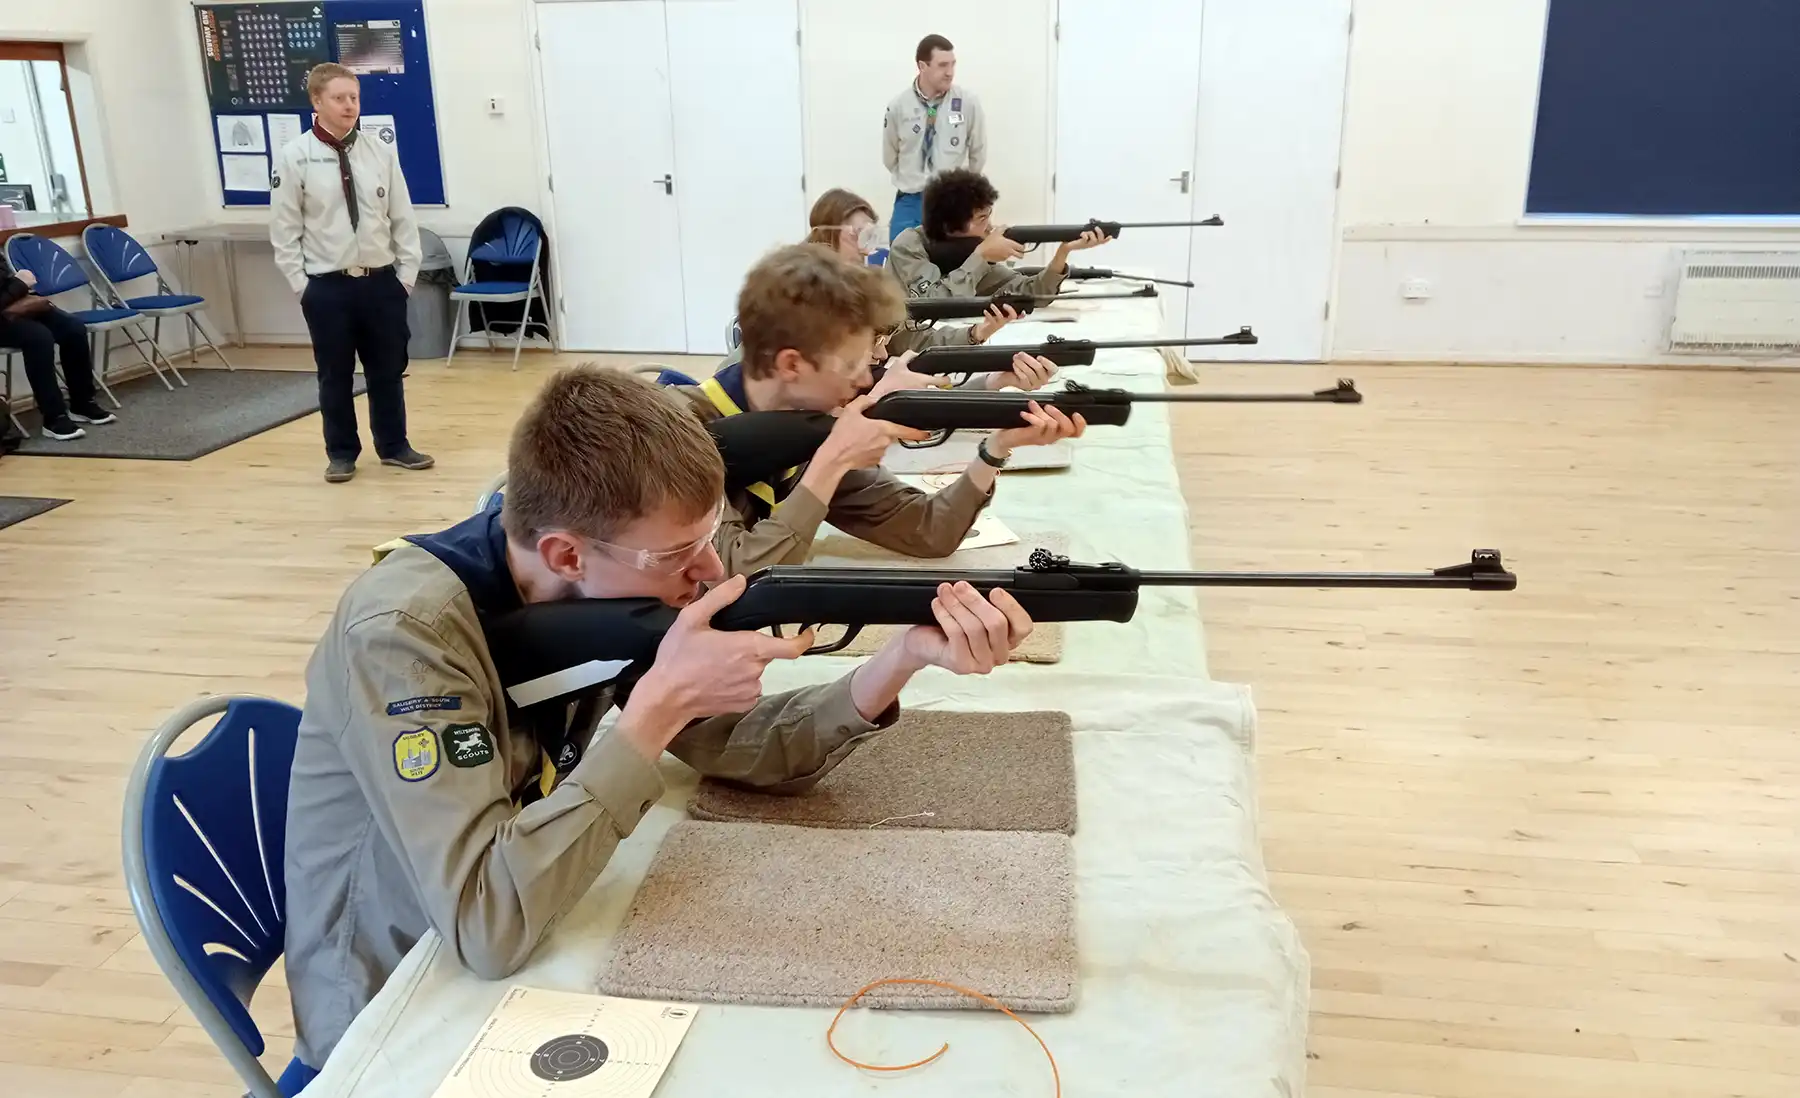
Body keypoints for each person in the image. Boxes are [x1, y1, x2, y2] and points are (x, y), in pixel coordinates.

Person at [280, 365, 1038, 1082]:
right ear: (565, 552)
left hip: (531, 937)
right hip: (395, 1016)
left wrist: (901, 659)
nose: (710, 572)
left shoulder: (585, 590)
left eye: (709, 538)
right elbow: (488, 924)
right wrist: (651, 715)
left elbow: (737, 749)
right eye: (677, 552)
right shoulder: (402, 633)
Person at [668, 244, 1083, 576]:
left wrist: (996, 447)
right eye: (852, 365)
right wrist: (832, 460)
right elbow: (731, 575)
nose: (866, 380)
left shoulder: (811, 426)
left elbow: (930, 531)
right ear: (791, 365)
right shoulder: (673, 437)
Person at [270, 61, 432, 483]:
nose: (349, 106)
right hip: (327, 287)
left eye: (354, 98)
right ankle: (341, 452)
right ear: (317, 101)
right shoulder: (295, 158)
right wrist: (301, 286)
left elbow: (403, 218)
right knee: (335, 375)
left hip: (380, 282)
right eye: (339, 98)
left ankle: (394, 445)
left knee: (388, 370)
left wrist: (406, 277)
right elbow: (284, 230)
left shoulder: (379, 152)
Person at [719, 188, 1022, 374]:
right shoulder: (804, 288)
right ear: (828, 231)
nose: (867, 248)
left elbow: (905, 338)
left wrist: (974, 333)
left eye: (872, 235)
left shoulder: (859, 283)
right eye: (859, 235)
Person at [889, 168, 1111, 300]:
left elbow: (1031, 292)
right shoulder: (909, 246)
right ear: (950, 226)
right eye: (982, 219)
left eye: (989, 216)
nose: (990, 226)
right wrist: (980, 258)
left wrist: (1063, 253)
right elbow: (934, 302)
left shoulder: (974, 249)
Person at [0, 252, 115, 441]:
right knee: (39, 338)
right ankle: (54, 416)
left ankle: (82, 403)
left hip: (11, 305)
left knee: (73, 328)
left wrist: (18, 285)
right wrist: (20, 284)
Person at [882, 34, 985, 242]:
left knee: (953, 262)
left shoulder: (968, 103)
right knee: (901, 260)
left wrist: (964, 192)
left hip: (950, 201)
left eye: (953, 65)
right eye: (942, 65)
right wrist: (912, 178)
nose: (949, 73)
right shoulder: (898, 106)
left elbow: (978, 152)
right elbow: (889, 157)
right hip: (911, 200)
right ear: (922, 66)